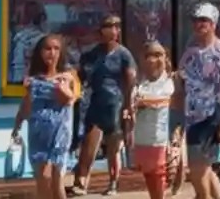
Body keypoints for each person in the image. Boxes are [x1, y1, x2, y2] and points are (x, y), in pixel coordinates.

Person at [175, 3, 220, 199]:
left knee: (197, 168)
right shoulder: (190, 53)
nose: (199, 24)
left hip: (214, 114)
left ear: (213, 24)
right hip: (193, 116)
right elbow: (181, 86)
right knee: (204, 167)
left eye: (204, 20)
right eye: (196, 20)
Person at [70, 15, 137, 196]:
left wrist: (129, 106)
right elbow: (82, 74)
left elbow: (131, 81)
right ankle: (82, 181)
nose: (112, 30)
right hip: (95, 101)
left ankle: (113, 183)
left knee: (113, 146)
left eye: (116, 27)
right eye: (108, 26)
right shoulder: (93, 53)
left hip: (115, 103)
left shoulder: (124, 54)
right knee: (89, 143)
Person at [12, 34, 80, 199]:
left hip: (59, 134)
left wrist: (62, 88)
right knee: (42, 178)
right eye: (47, 49)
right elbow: (26, 110)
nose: (52, 53)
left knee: (56, 179)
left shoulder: (68, 75)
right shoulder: (34, 79)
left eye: (56, 49)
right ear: (40, 53)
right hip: (38, 133)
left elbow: (70, 100)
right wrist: (17, 124)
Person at [131, 42, 177, 199]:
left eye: (157, 55)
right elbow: (132, 106)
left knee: (160, 182)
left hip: (161, 142)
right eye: (148, 56)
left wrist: (143, 103)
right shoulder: (140, 83)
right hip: (142, 140)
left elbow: (164, 101)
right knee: (150, 178)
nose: (152, 60)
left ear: (166, 58)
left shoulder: (171, 81)